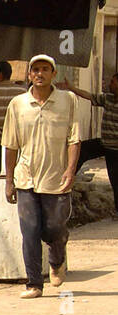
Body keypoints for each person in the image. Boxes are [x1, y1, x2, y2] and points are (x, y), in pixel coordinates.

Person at [1, 54, 79, 298]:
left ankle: (57, 258)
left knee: (54, 227)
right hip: (27, 178)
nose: (40, 74)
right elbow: (11, 145)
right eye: (35, 70)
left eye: (45, 69)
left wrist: (70, 169)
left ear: (53, 74)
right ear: (29, 74)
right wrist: (9, 180)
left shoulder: (68, 100)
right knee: (30, 230)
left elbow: (74, 139)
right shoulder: (18, 104)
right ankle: (34, 283)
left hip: (57, 178)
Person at [56, 72, 118, 212]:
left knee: (115, 180)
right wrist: (71, 88)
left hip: (115, 150)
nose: (110, 84)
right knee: (82, 149)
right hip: (105, 144)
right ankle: (68, 175)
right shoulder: (108, 99)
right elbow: (89, 96)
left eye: (113, 82)